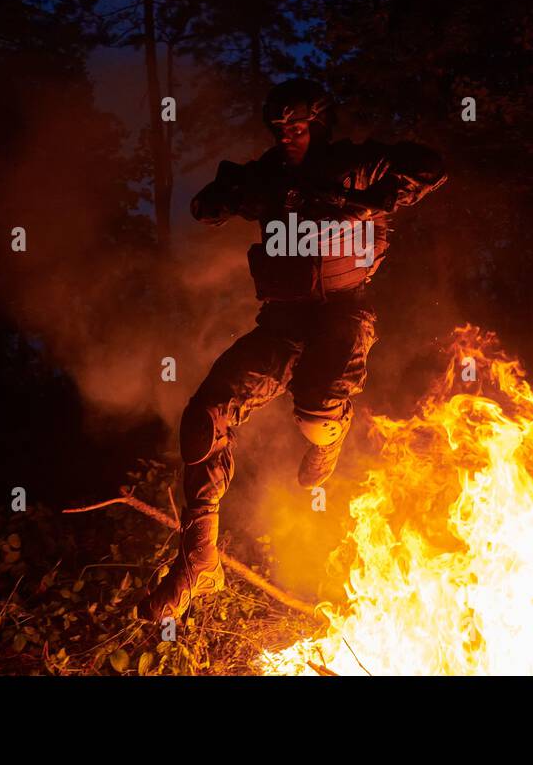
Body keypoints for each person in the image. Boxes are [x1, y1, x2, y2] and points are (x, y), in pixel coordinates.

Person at [141, 77, 446, 621]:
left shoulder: (360, 163)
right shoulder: (268, 175)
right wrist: (236, 198)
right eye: (279, 128)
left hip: (343, 310)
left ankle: (330, 432)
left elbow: (430, 167)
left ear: (320, 124)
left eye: (298, 126)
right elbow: (202, 206)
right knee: (205, 414)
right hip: (281, 321)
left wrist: (366, 202)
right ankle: (199, 560)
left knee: (314, 416)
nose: (287, 136)